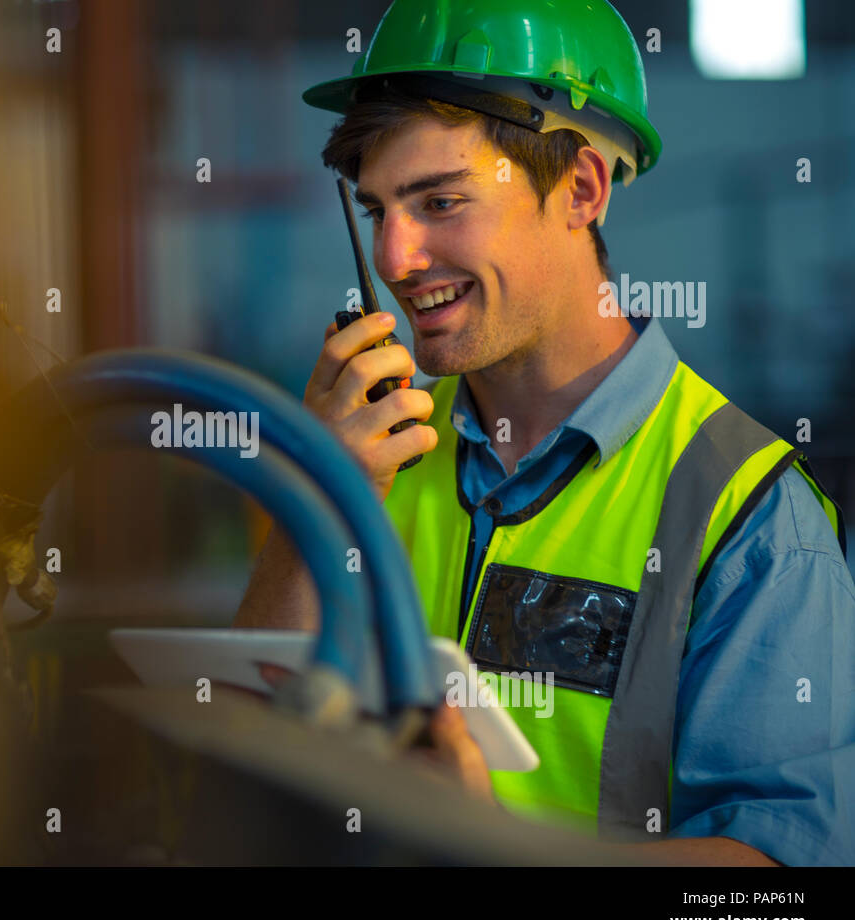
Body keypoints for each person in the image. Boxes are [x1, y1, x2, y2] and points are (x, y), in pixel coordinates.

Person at [234, 0, 854, 866]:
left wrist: (490, 848)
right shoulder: (372, 454)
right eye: (377, 211)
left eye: (441, 201)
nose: (395, 257)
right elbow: (247, 765)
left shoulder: (750, 516)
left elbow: (773, 887)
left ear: (581, 190)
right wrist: (317, 504)